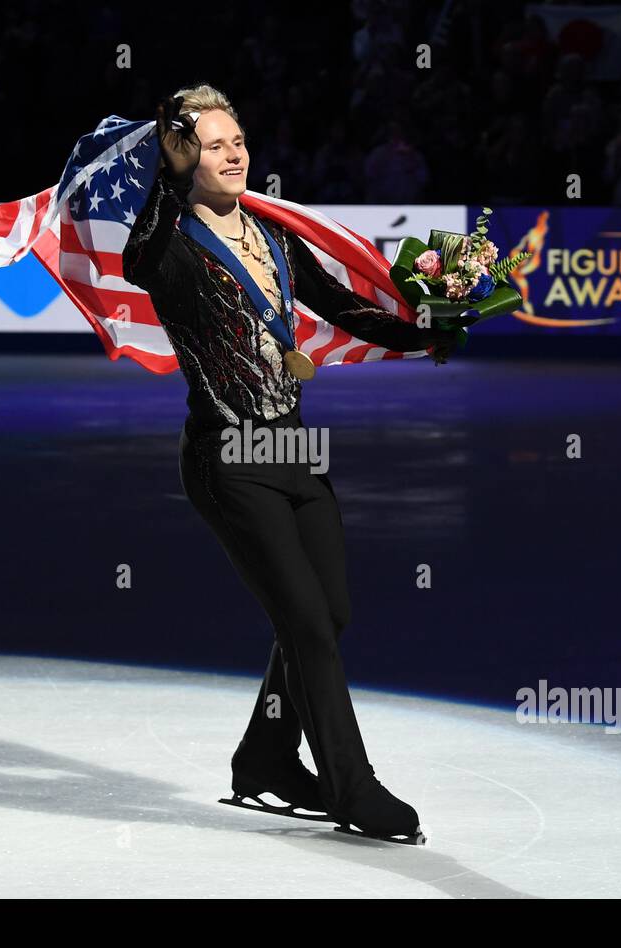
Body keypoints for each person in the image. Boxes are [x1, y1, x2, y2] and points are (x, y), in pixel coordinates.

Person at [122, 84, 466, 843]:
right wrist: (161, 174)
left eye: (237, 139)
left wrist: (431, 331)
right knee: (307, 623)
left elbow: (346, 308)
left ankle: (266, 756)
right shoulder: (173, 247)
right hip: (226, 457)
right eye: (213, 145)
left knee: (330, 613)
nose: (234, 152)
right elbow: (135, 256)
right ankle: (355, 787)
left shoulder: (274, 238)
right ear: (184, 158)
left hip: (292, 448)